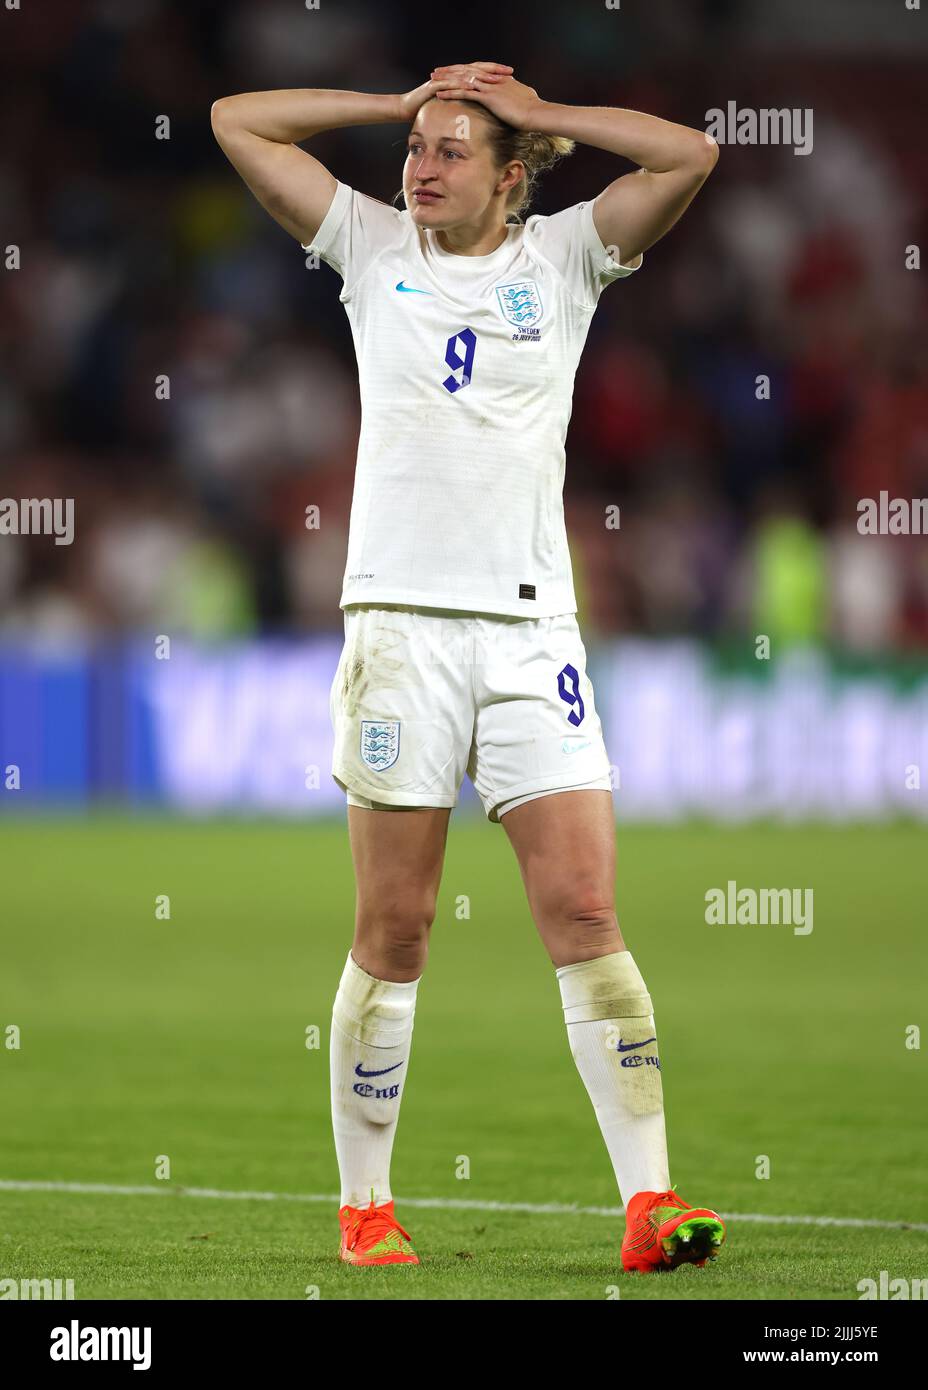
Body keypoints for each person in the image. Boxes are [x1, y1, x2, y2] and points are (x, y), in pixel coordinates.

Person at [211, 61, 724, 1274]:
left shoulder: (563, 258)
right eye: (418, 148)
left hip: (531, 632)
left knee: (587, 911)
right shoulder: (368, 244)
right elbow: (237, 121)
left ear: (510, 176)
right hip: (398, 630)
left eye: (451, 151)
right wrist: (388, 108)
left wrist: (542, 118)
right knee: (395, 928)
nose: (422, 167)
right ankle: (367, 1207)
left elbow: (690, 156)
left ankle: (649, 1205)